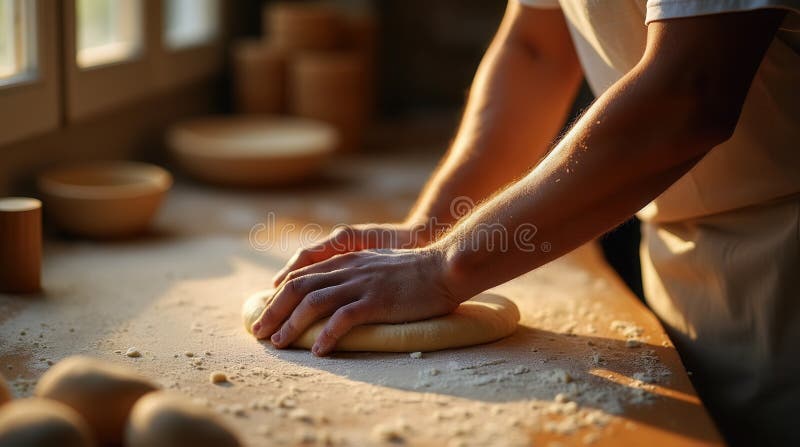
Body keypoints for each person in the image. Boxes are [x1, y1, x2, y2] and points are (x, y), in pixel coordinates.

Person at [252, 1, 800, 444]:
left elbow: (690, 92)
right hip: (687, 260)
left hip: (784, 269)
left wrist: (444, 267)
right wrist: (435, 230)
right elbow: (536, 46)